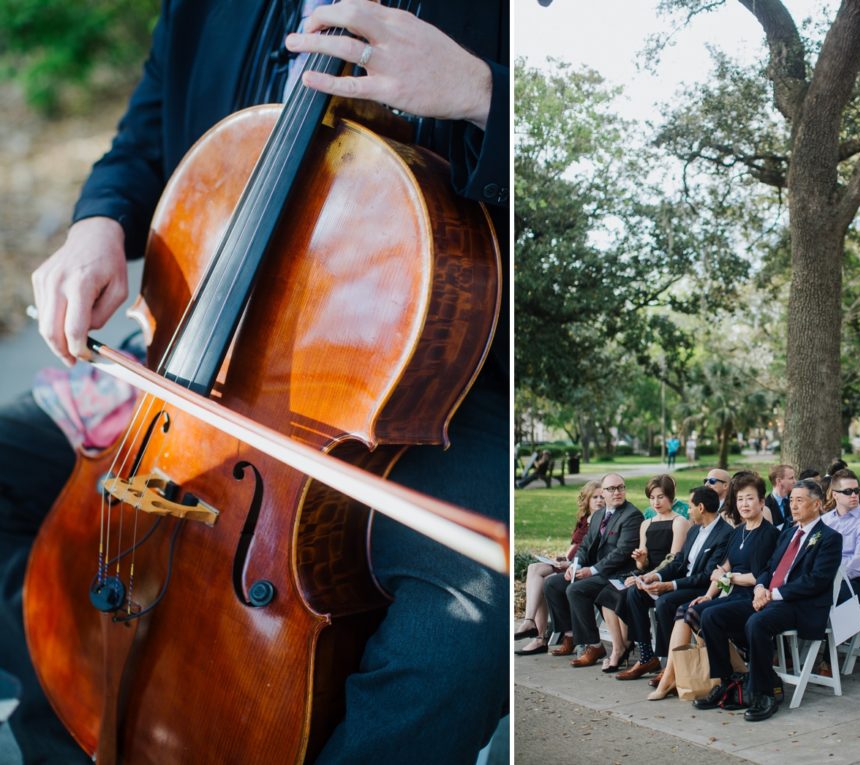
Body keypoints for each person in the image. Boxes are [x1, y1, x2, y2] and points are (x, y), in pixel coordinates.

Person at [3, 2, 509, 763]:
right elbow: (146, 128)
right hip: (186, 354)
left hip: (426, 375)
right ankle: (64, 702)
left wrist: (484, 93)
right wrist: (98, 222)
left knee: (474, 611)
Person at [693, 480, 843, 722]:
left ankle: (765, 694)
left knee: (757, 623)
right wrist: (761, 587)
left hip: (801, 605)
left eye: (800, 501)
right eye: (791, 500)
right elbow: (769, 567)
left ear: (816, 505)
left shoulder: (829, 537)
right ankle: (727, 682)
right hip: (769, 598)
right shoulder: (788, 533)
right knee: (711, 615)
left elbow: (816, 581)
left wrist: (773, 594)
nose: (793, 506)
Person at [646, 474, 779, 700]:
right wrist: (708, 594)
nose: (744, 504)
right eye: (740, 500)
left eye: (749, 499)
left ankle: (727, 677)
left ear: (761, 502)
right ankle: (718, 678)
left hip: (752, 597)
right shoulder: (738, 532)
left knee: (707, 616)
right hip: (732, 593)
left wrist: (730, 577)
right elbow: (722, 568)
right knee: (690, 609)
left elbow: (757, 578)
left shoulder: (769, 534)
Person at [614, 485, 728, 683]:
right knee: (634, 593)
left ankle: (669, 665)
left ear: (700, 507)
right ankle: (646, 656)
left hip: (703, 589)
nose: (688, 510)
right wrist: (654, 577)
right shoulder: (694, 531)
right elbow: (678, 562)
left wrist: (670, 585)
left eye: (690, 506)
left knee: (665, 602)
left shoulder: (724, 533)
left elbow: (707, 576)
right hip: (683, 582)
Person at [542, 473, 643, 667]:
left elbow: (622, 553)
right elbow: (585, 546)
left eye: (620, 487)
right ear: (603, 493)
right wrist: (575, 565)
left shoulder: (631, 515)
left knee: (576, 589)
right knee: (552, 584)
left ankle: (594, 645)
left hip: (618, 574)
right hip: (595, 571)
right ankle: (570, 635)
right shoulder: (598, 515)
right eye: (611, 489)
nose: (617, 492)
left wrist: (592, 570)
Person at [599, 475, 688, 672]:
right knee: (610, 593)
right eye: (652, 498)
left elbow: (673, 560)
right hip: (648, 575)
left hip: (668, 576)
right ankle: (637, 648)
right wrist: (640, 560)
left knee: (632, 593)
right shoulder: (646, 524)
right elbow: (643, 563)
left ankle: (648, 653)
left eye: (661, 497)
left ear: (671, 497)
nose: (656, 502)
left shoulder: (679, 522)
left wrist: (646, 577)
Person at [514, 480, 604, 654]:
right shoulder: (584, 519)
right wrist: (562, 557)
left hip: (580, 566)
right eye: (595, 497)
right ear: (587, 499)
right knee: (535, 570)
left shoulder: (603, 521)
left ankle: (535, 632)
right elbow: (575, 544)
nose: (599, 500)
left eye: (602, 497)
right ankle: (534, 630)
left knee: (542, 578)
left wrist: (570, 563)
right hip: (568, 562)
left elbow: (593, 553)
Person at [820, 468, 860, 602]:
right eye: (848, 492)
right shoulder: (825, 521)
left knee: (822, 595)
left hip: (853, 582)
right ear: (835, 495)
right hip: (823, 577)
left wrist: (826, 575)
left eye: (856, 491)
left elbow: (859, 566)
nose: (854, 495)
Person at [765, 463, 795, 528]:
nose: (795, 481)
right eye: (791, 478)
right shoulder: (765, 505)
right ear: (779, 481)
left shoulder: (796, 499)